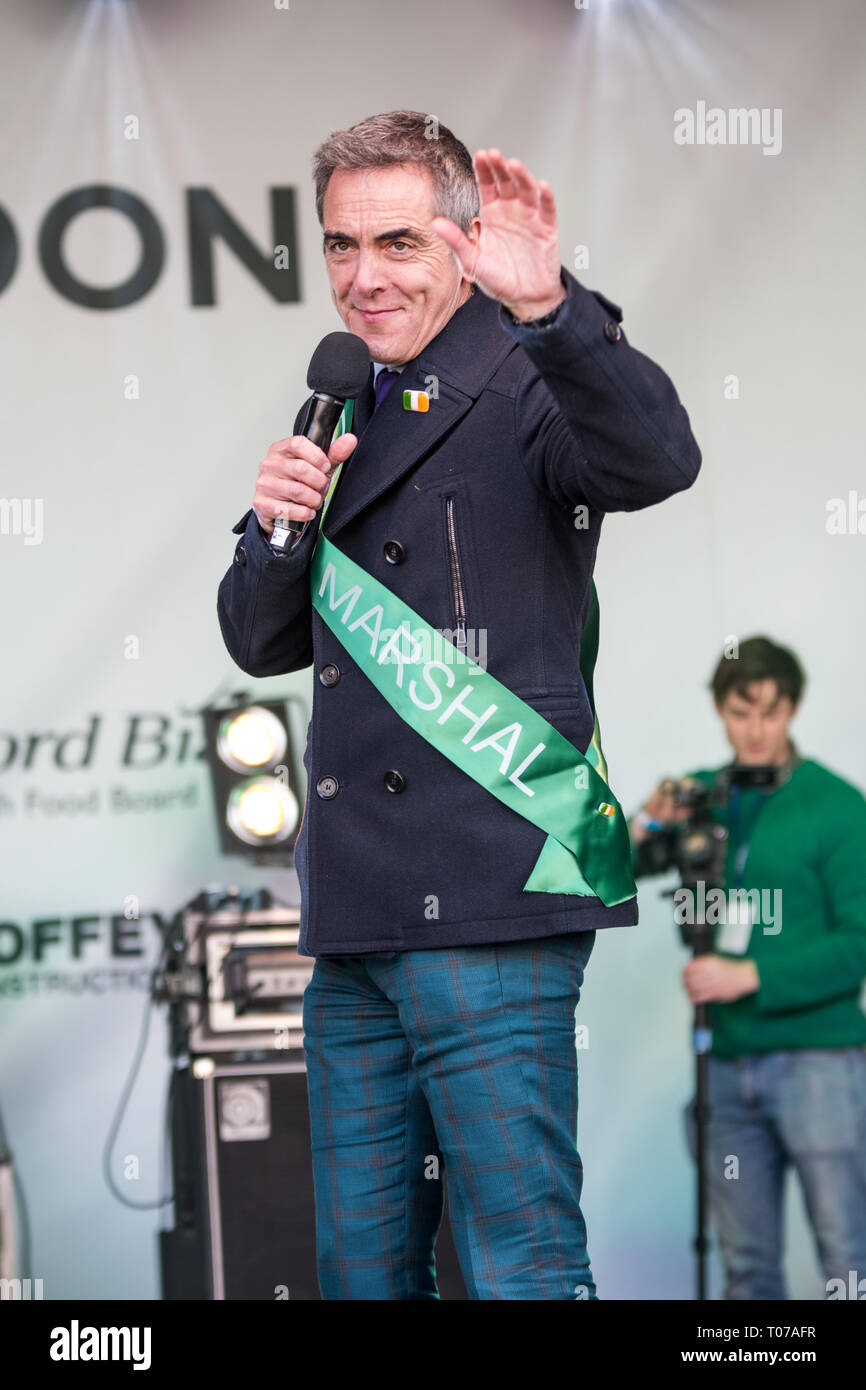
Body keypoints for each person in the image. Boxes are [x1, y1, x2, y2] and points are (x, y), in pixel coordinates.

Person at [218, 110, 701, 1299]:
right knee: (363, 1272)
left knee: (521, 1262)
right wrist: (280, 529)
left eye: (396, 243)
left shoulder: (528, 369)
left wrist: (550, 314)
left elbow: (655, 457)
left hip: (494, 891)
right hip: (358, 917)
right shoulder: (342, 407)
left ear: (466, 240)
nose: (362, 276)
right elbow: (255, 637)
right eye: (340, 246)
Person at [631, 636, 866, 1300]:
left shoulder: (839, 806)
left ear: (793, 708)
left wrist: (753, 975)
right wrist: (650, 818)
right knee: (747, 1270)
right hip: (724, 1070)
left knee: (849, 1262)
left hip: (822, 1065)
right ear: (719, 710)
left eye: (770, 711)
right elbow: (613, 872)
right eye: (740, 712)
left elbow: (861, 939)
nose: (756, 729)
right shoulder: (703, 798)